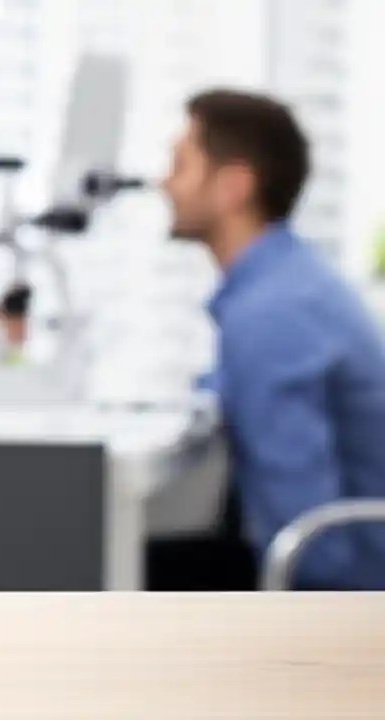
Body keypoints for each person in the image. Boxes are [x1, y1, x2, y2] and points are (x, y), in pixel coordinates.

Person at [155, 89, 385, 590]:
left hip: (349, 589)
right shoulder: (287, 284)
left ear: (234, 186)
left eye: (180, 165)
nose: (164, 184)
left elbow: (308, 546)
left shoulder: (274, 313)